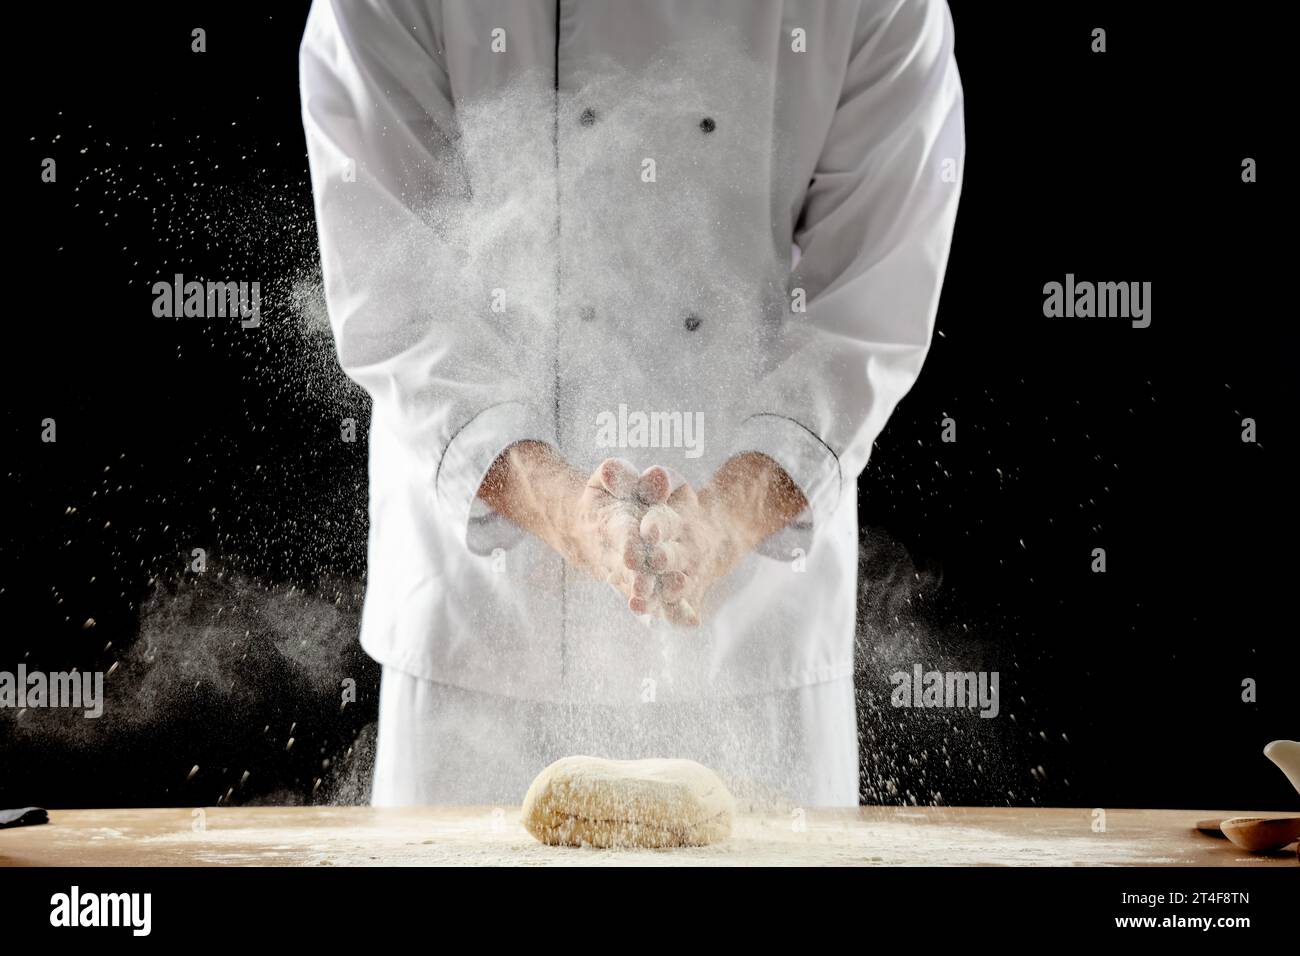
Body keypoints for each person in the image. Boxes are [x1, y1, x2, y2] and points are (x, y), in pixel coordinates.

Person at [299, 0, 964, 807]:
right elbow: (398, 281)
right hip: (486, 633)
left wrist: (722, 518)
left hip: (750, 635)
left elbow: (867, 304)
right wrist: (569, 512)